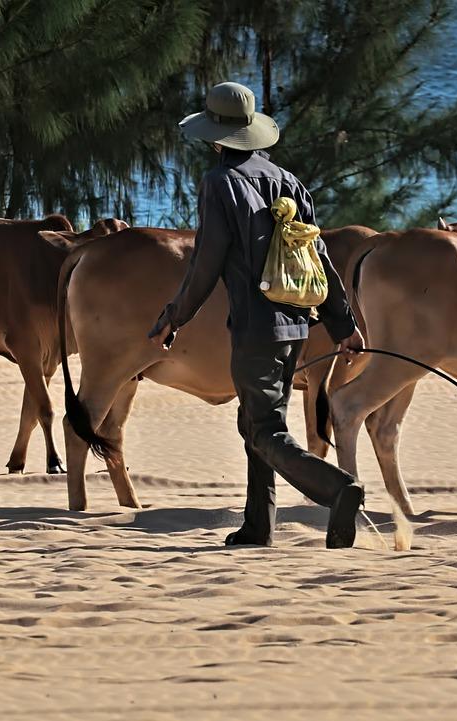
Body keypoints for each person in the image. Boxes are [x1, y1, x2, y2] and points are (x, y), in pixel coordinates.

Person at [148, 81, 366, 549]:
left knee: (263, 429)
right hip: (296, 326)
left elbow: (206, 262)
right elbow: (319, 258)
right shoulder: (288, 181)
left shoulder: (220, 183)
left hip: (256, 327)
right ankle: (258, 525)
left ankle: (337, 488)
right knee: (257, 422)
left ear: (214, 137)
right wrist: (343, 325)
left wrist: (175, 316)